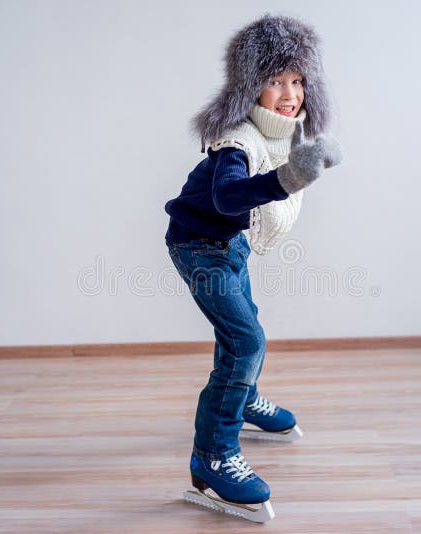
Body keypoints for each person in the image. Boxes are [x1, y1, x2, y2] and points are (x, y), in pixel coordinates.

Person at [164, 13, 341, 522]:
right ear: (251, 84)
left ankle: (245, 398)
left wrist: (299, 165)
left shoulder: (284, 130)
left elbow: (272, 180)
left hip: (229, 245)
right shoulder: (237, 140)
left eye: (297, 80)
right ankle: (212, 457)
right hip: (198, 246)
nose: (289, 92)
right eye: (274, 80)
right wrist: (286, 179)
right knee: (246, 340)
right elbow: (226, 195)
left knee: (244, 326)